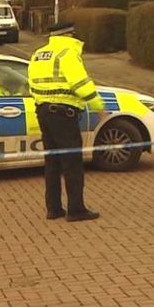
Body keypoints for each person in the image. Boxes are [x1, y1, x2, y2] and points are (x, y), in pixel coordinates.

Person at [28, 21, 105, 222]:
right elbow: (80, 83)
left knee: (52, 162)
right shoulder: (67, 53)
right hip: (63, 114)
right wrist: (98, 106)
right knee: (72, 163)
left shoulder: (39, 54)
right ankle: (76, 210)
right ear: (69, 35)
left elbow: (32, 85)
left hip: (43, 111)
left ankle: (53, 208)